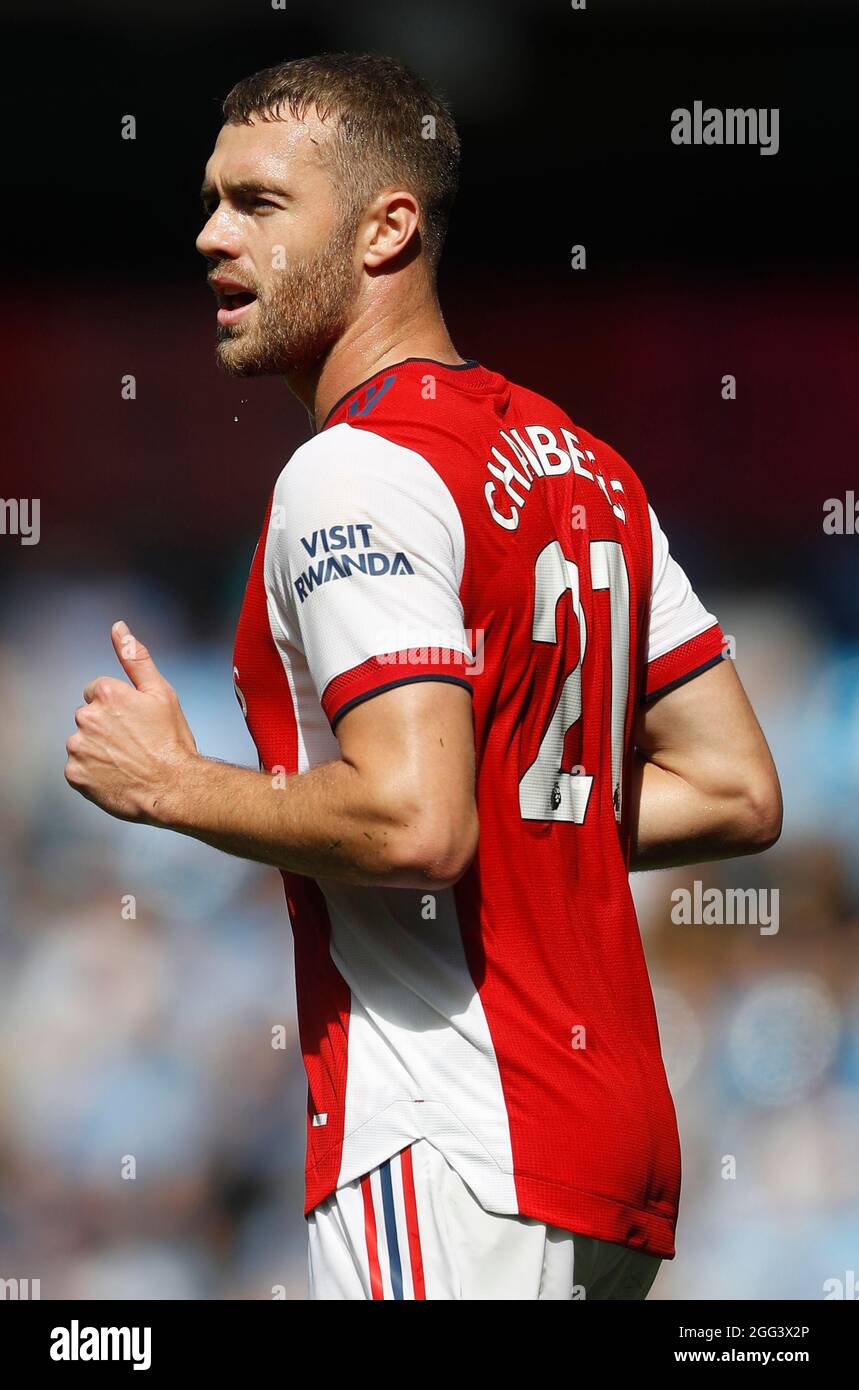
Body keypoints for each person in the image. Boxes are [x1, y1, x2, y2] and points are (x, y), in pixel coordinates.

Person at [65, 51, 782, 1300]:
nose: (208, 236)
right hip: (609, 1157)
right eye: (210, 198)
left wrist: (175, 786)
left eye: (259, 203)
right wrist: (511, 809)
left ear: (388, 226)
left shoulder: (351, 472)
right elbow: (732, 791)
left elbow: (412, 819)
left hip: (446, 1137)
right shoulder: (588, 466)